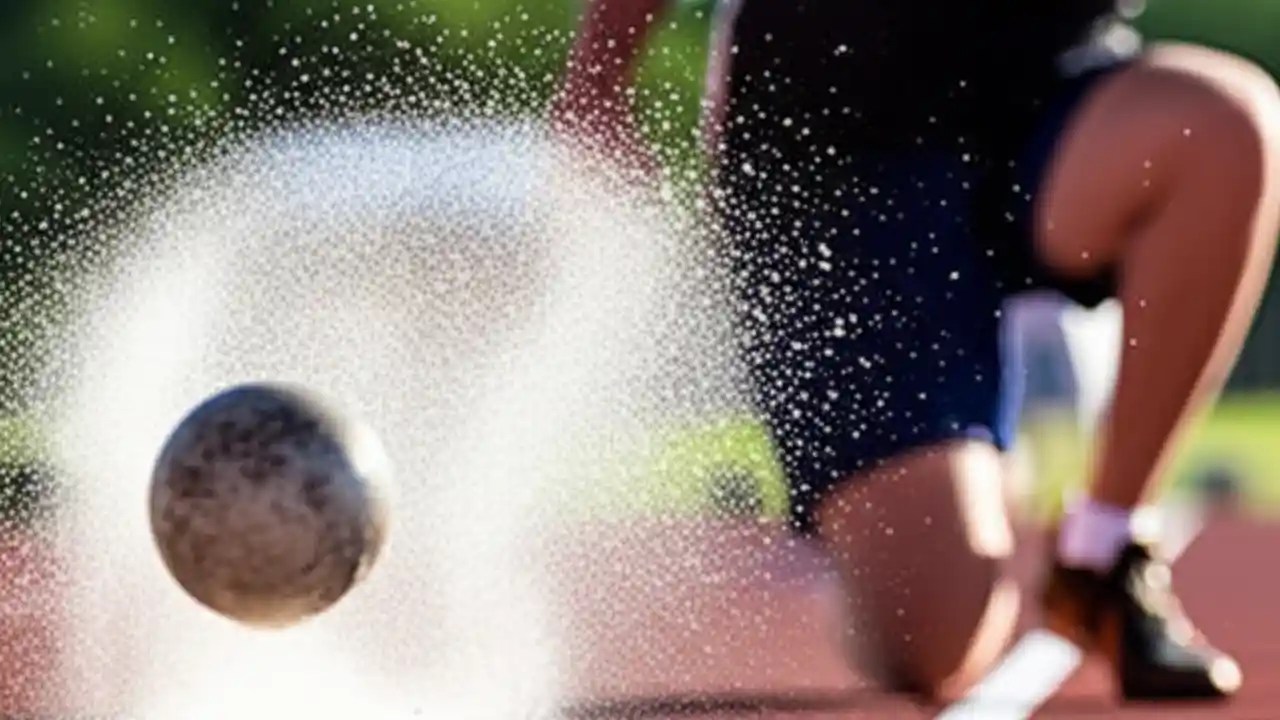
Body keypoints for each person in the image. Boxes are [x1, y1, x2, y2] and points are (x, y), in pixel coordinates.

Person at [553, 0, 1280, 700]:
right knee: (938, 642)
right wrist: (598, 82)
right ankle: (898, 486)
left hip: (1034, 102)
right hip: (836, 159)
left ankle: (1103, 551)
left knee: (1227, 125)